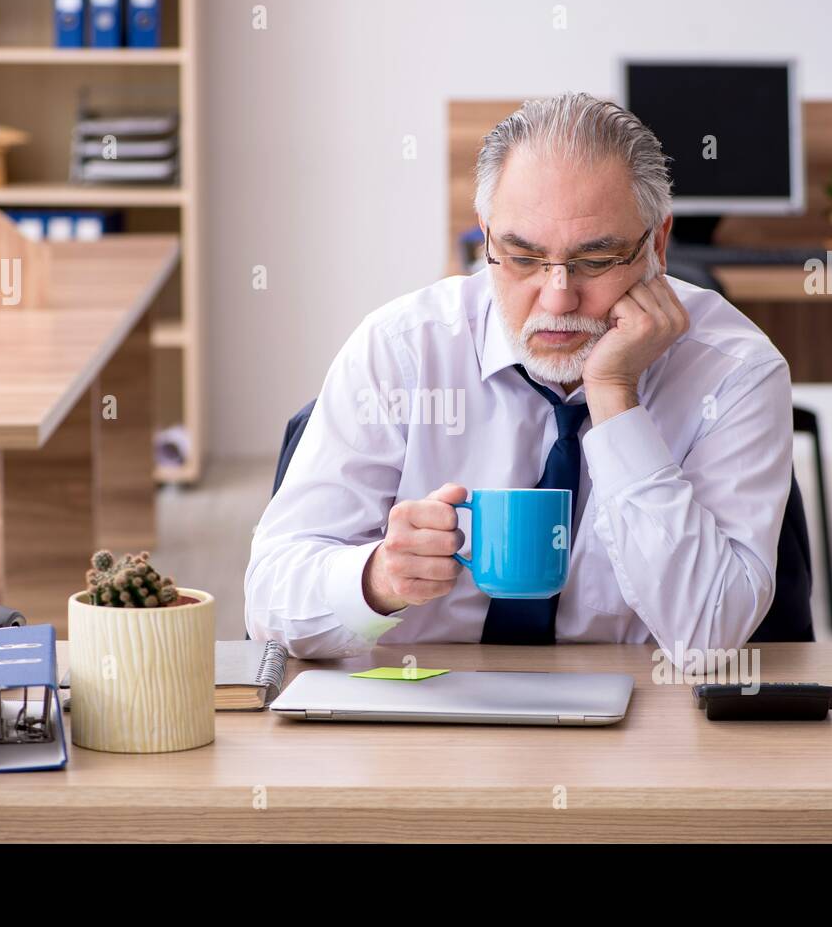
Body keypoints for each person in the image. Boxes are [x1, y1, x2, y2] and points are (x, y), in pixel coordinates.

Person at [245, 92, 792, 660]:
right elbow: (268, 600)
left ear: (656, 243)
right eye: (524, 258)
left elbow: (708, 638)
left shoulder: (734, 371)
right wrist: (377, 579)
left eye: (595, 260)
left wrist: (613, 399)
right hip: (422, 713)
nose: (557, 297)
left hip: (637, 719)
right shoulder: (402, 350)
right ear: (485, 235)